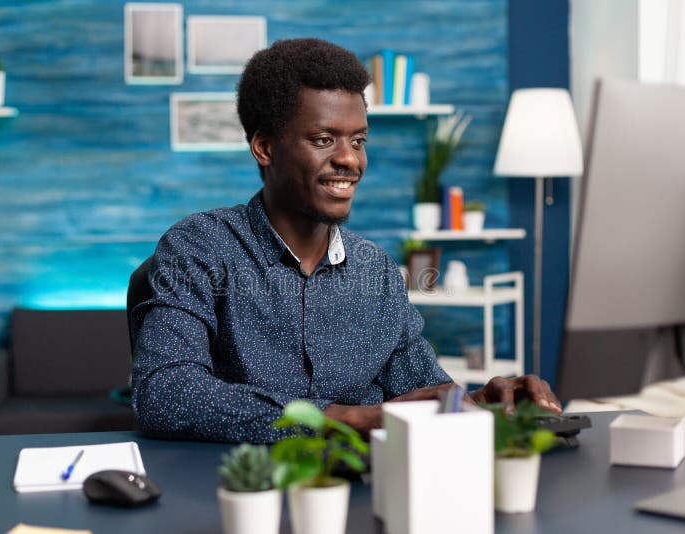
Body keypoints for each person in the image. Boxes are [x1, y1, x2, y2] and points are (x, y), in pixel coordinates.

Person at [130, 38, 561, 443]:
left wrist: (478, 404)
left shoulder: (376, 270)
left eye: (358, 140)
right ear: (264, 147)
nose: (349, 159)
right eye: (323, 140)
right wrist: (347, 417)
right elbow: (165, 393)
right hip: (239, 498)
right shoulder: (200, 247)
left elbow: (424, 389)